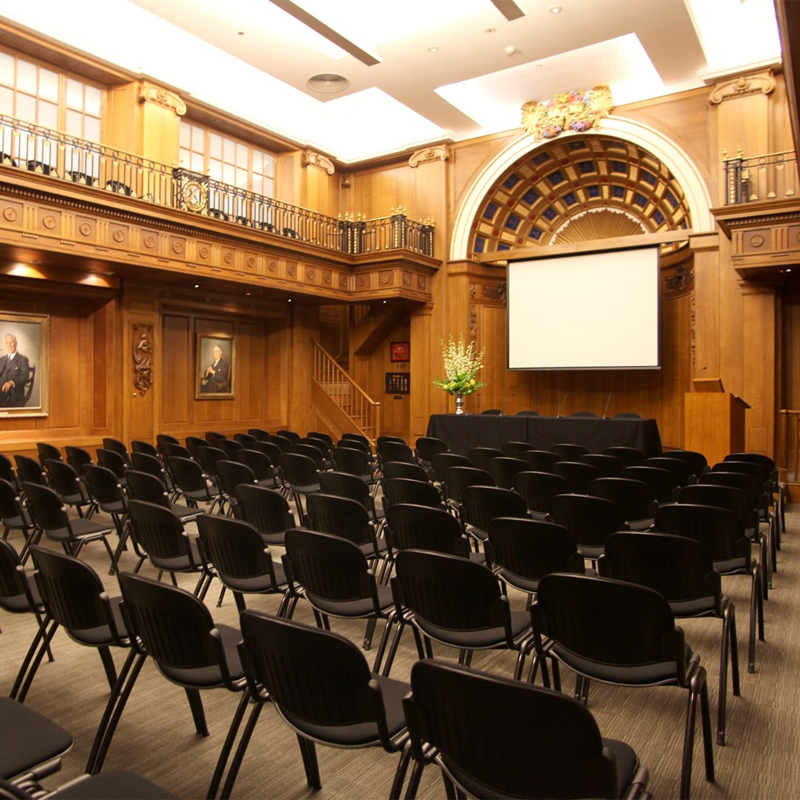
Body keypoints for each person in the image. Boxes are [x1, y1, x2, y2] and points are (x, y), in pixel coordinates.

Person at [0, 333, 31, 407]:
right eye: (7, 343)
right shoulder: (2, 359)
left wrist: (12, 382)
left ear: (16, 343)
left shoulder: (23, 359)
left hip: (13, 394)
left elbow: (25, 376)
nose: (9, 345)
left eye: (11, 342)